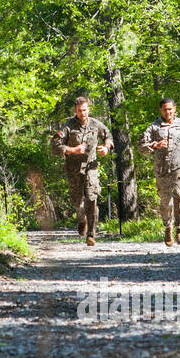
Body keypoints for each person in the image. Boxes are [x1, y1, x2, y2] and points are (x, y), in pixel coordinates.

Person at [51, 97, 111, 246]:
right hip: (73, 169)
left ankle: (91, 234)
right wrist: (72, 150)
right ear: (75, 111)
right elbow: (54, 146)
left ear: (88, 109)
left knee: (91, 198)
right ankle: (81, 218)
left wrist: (106, 147)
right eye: (79, 111)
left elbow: (108, 136)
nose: (82, 113)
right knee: (78, 202)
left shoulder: (96, 125)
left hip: (91, 166)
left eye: (85, 110)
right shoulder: (68, 126)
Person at [138, 98, 180, 246]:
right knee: (166, 201)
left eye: (170, 109)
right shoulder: (154, 127)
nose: (168, 112)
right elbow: (141, 147)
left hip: (179, 167)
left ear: (175, 109)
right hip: (162, 169)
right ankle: (168, 227)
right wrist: (155, 144)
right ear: (161, 110)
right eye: (165, 109)